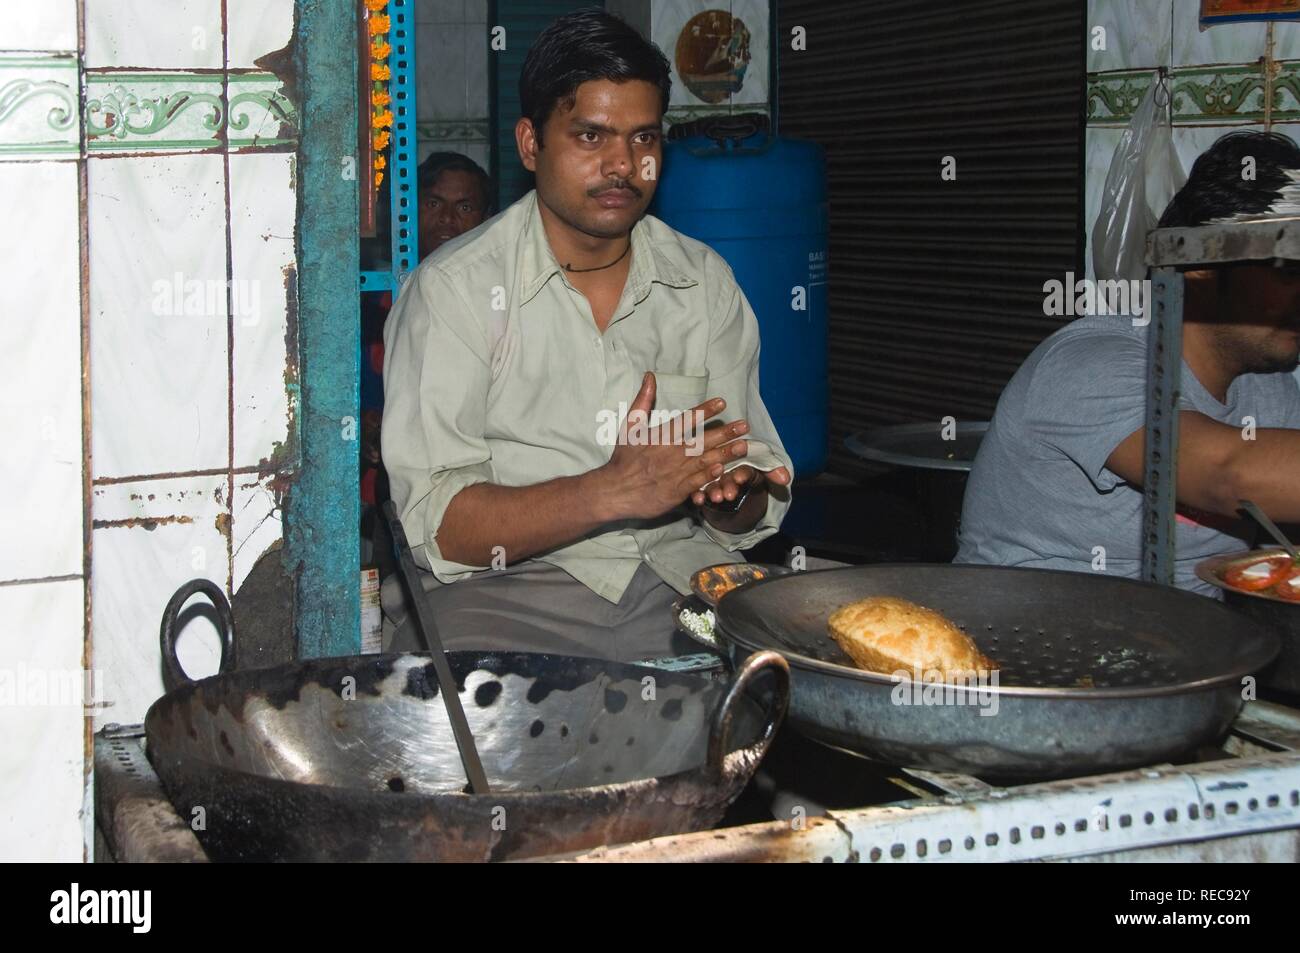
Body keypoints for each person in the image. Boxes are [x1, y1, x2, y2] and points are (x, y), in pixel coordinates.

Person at [380, 9, 793, 658]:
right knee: (468, 704)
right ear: (530, 144)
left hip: (677, 578)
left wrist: (727, 492)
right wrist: (613, 488)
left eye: (644, 139)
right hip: (503, 592)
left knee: (794, 669)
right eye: (591, 137)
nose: (624, 166)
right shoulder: (454, 291)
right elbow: (441, 523)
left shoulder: (704, 284)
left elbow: (750, 503)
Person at [956, 130, 1300, 595]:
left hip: (1186, 645)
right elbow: (1229, 474)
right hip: (1025, 644)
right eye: (1289, 269)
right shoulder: (1090, 364)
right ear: (1200, 264)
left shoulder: (1271, 386)